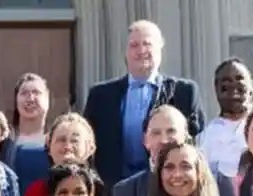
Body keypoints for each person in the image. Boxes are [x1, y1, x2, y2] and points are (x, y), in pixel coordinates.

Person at [83, 20, 205, 186]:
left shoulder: (184, 92)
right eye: (134, 45)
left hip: (168, 186)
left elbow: (196, 144)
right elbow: (87, 145)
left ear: (160, 48)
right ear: (125, 52)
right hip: (112, 191)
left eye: (147, 44)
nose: (141, 51)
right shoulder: (100, 96)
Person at [110, 105, 236, 196]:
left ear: (187, 137)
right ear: (145, 141)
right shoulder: (125, 193)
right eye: (156, 133)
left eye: (171, 131)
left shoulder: (220, 184)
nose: (164, 140)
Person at [20, 113, 97, 196]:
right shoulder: (35, 193)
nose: (67, 147)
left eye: (74, 141)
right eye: (61, 140)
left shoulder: (101, 191)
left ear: (90, 148)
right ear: (49, 147)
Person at [197, 58, 253, 180]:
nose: (233, 88)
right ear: (217, 90)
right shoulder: (204, 139)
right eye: (226, 83)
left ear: (251, 89)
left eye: (239, 80)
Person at [9, 72, 53, 196]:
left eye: (36, 92)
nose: (30, 98)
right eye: (24, 93)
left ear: (47, 98)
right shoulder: (5, 141)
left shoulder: (57, 141)